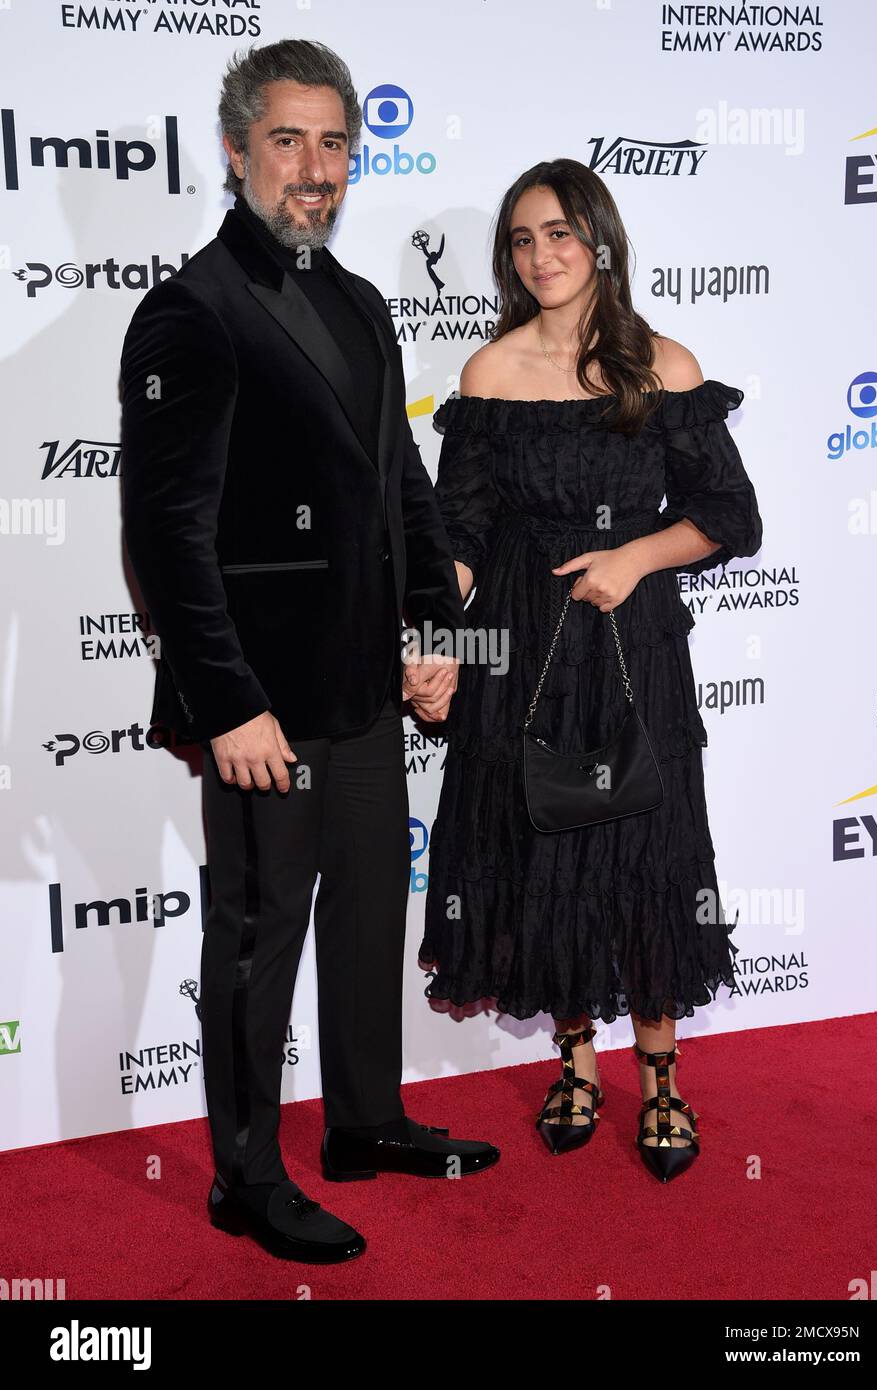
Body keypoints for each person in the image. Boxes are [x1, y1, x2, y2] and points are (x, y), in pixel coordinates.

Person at [120, 38, 497, 1265]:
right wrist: (226, 703)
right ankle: (241, 1175)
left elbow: (404, 491)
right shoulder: (191, 311)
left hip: (362, 692)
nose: (315, 168)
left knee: (365, 910)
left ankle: (364, 1121)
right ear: (235, 152)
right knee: (257, 924)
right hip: (264, 704)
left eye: (336, 143)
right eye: (289, 140)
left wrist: (436, 631)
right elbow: (164, 535)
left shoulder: (357, 302)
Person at [418, 158, 763, 1183]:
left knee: (642, 853)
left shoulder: (663, 364)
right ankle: (574, 1063)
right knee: (539, 853)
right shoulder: (488, 374)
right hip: (521, 644)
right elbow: (461, 528)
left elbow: (732, 517)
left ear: (600, 242)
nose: (541, 255)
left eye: (560, 233)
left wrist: (634, 556)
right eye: (522, 239)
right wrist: (437, 629)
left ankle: (659, 1078)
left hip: (630, 643)